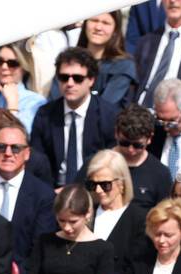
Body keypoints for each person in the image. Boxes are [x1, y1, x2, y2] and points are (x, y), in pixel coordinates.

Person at [28, 48, 119, 188]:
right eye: (64, 77)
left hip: (94, 190)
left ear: (91, 80)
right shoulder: (45, 115)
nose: (70, 83)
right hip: (55, 191)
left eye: (77, 78)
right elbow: (37, 162)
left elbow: (112, 163)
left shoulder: (109, 115)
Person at [0, 118, 59, 273]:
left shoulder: (44, 196)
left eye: (16, 148)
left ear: (27, 154)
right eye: (1, 147)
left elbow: (40, 252)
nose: (8, 153)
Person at [85, 148, 151, 270]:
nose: (98, 190)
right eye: (93, 185)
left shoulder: (140, 219)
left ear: (121, 183)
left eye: (105, 185)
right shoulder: (85, 213)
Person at [116, 105, 173, 210]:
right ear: (116, 134)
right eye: (124, 143)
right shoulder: (99, 163)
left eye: (137, 145)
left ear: (149, 138)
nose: (130, 150)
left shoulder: (160, 174)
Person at [79, 12, 141, 104]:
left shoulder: (124, 66)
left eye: (105, 23)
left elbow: (105, 106)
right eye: (94, 20)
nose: (98, 27)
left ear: (115, 30)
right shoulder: (69, 61)